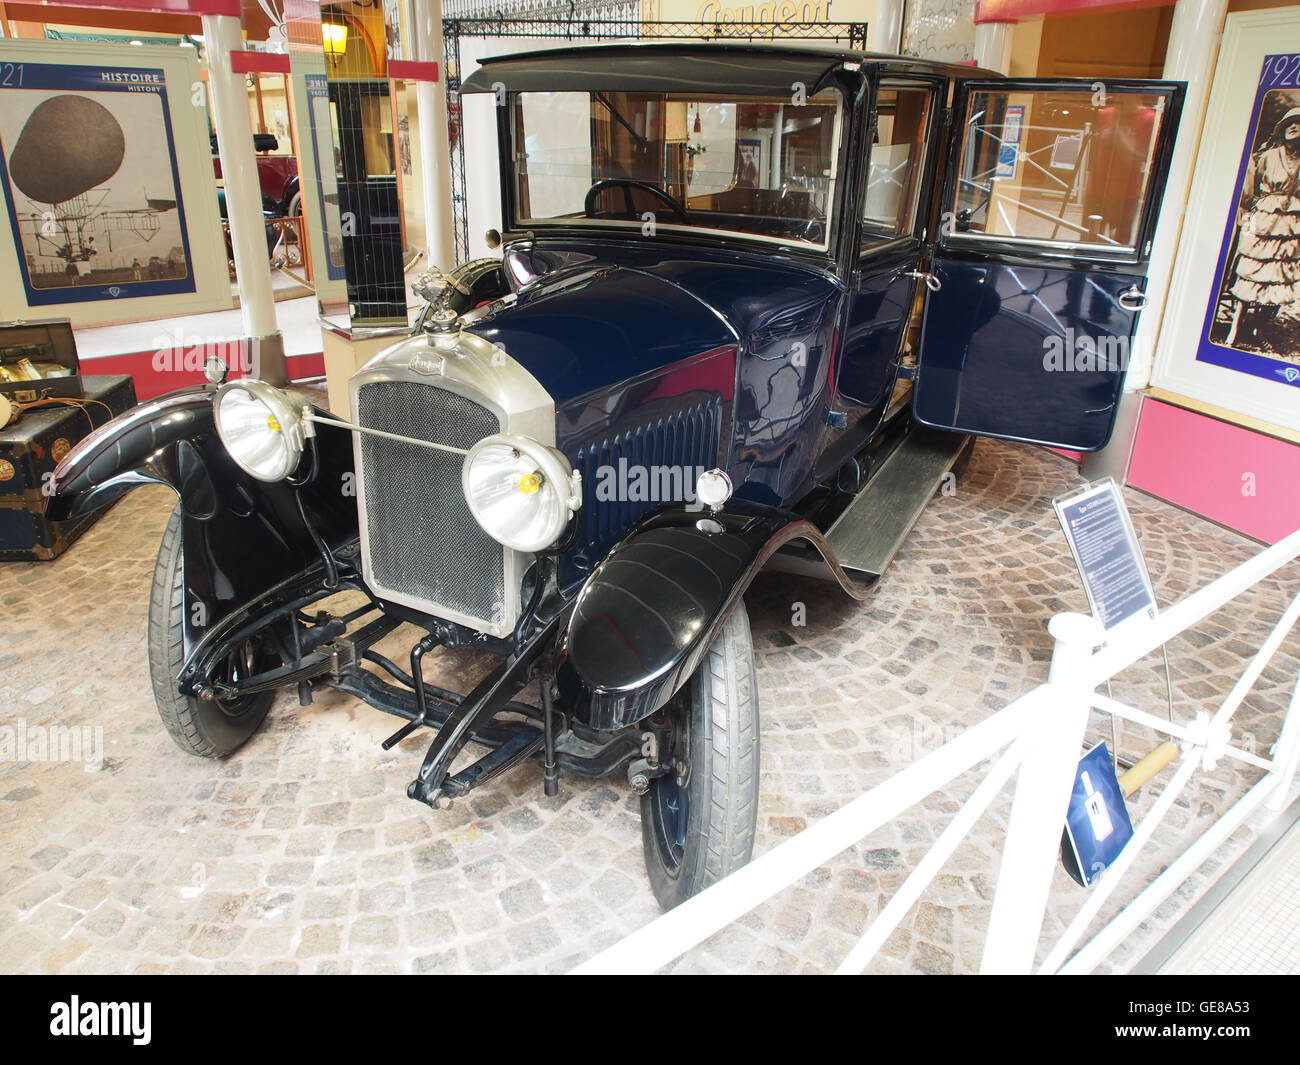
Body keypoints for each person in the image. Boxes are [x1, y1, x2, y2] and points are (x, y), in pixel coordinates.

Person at [1225, 105, 1300, 354]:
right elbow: (1249, 193)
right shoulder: (1268, 156)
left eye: (1299, 124)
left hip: (1289, 226)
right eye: (1290, 122)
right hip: (1263, 222)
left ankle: (1258, 328)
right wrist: (1247, 221)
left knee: (1279, 276)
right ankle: (1234, 328)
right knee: (1250, 271)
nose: (1294, 127)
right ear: (1281, 128)